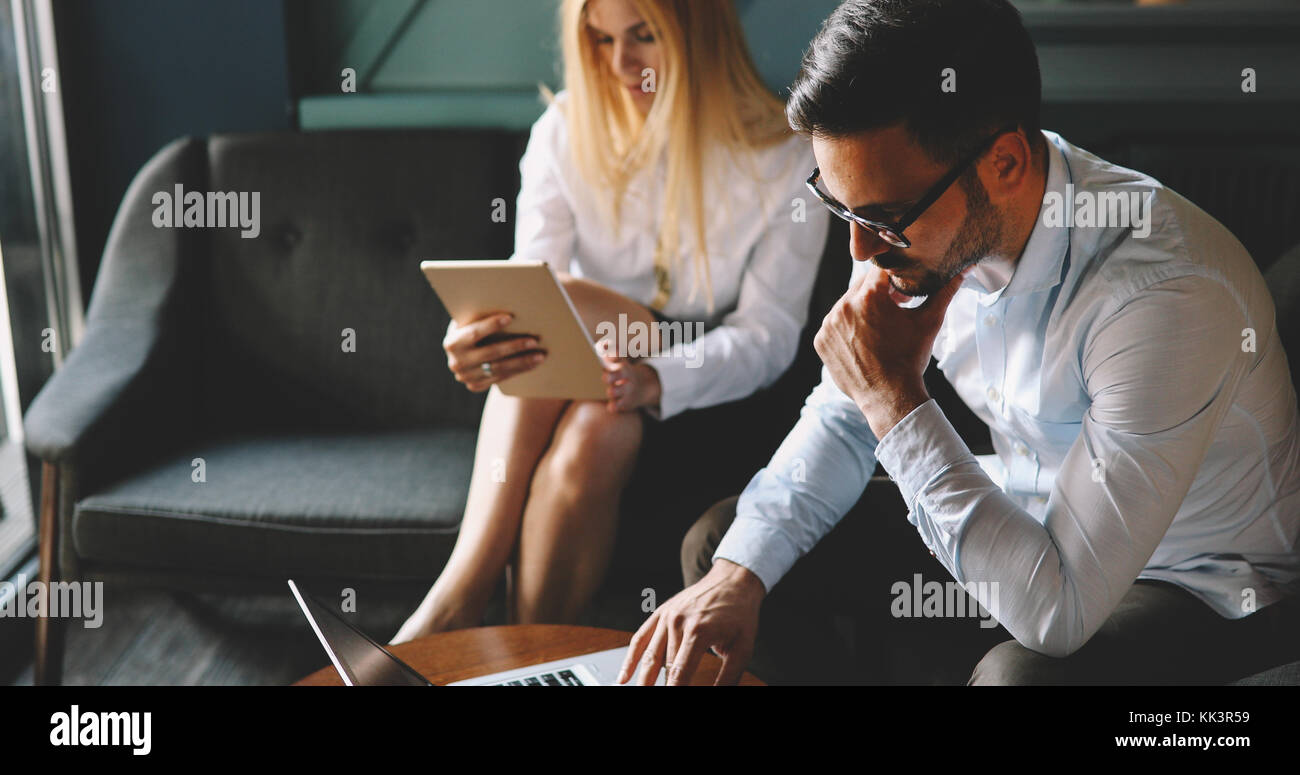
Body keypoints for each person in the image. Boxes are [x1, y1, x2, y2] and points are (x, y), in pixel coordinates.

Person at [621, 0, 1300, 685]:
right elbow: (844, 413)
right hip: (1031, 530)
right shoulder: (907, 223)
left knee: (1019, 678)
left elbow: (1057, 610)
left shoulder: (1164, 295)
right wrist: (742, 567)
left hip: (1195, 590)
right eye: (840, 207)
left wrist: (895, 400)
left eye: (882, 218)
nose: (859, 249)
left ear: (1004, 162)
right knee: (727, 550)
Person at [393, 0, 829, 642]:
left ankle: (456, 602)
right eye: (599, 40)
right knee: (596, 426)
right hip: (590, 396)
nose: (620, 63)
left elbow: (766, 338)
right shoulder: (565, 129)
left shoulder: (786, 156)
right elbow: (526, 297)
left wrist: (656, 377)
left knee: (591, 330)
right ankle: (523, 656)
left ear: (698, 33)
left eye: (643, 36)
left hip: (710, 401)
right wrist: (480, 340)